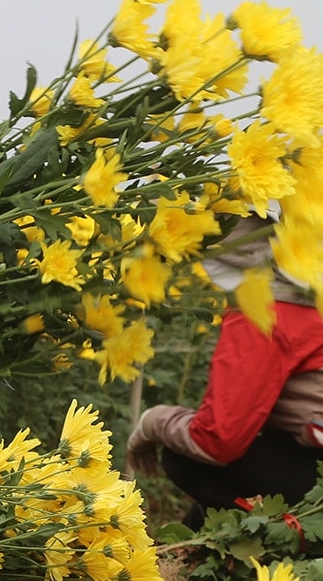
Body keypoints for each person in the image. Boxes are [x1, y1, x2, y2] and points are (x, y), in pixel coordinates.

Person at [126, 212, 323, 529]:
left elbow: (217, 441)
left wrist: (152, 422)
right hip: (308, 455)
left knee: (186, 457)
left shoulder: (269, 311)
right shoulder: (312, 294)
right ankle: (196, 546)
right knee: (265, 438)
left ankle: (289, 540)